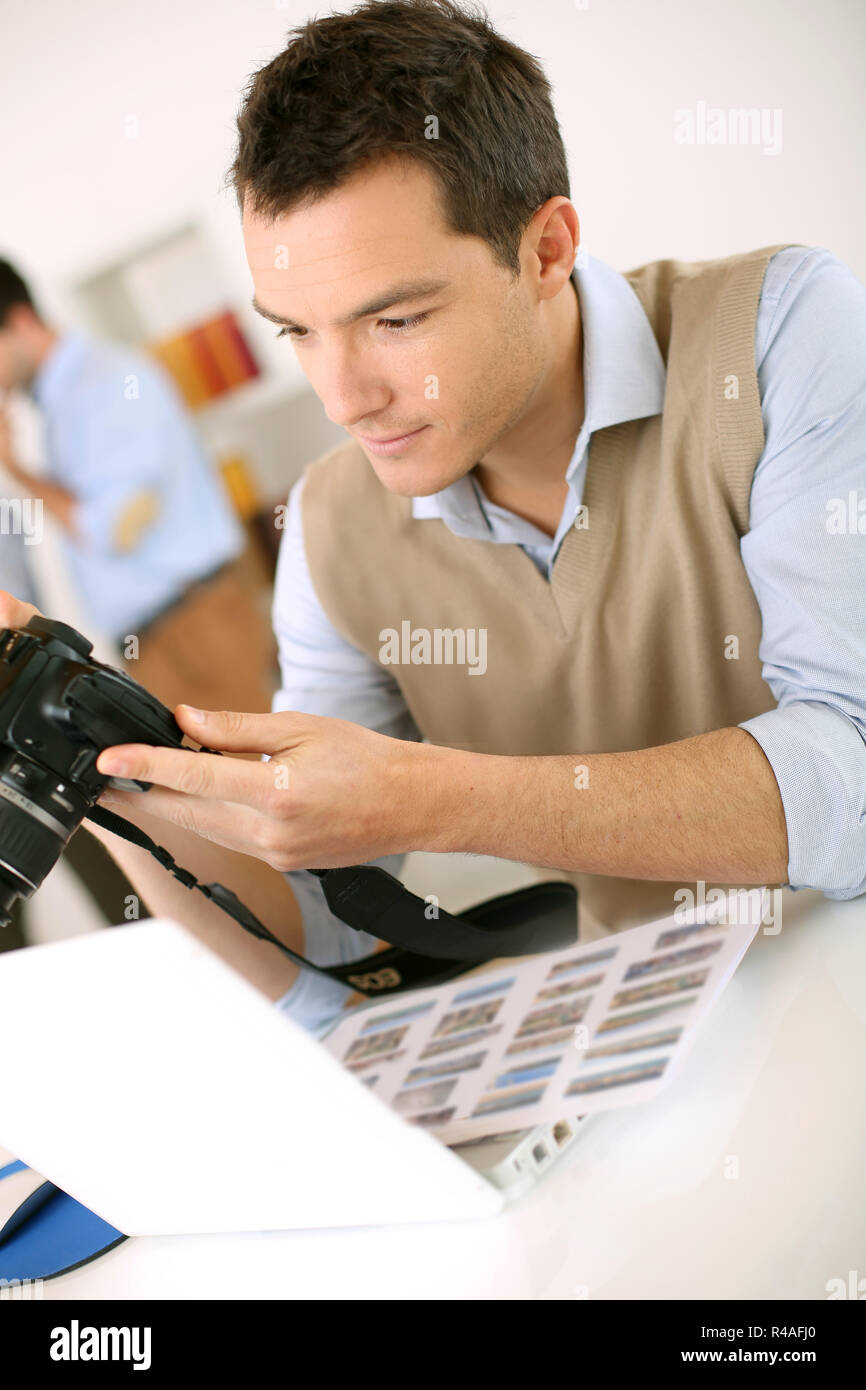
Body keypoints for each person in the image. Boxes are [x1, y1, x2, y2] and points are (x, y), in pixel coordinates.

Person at [2, 0, 863, 1039]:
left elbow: (850, 776)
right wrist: (102, 761)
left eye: (394, 320)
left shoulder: (778, 331)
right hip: (665, 1041)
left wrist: (434, 797)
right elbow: (323, 943)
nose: (341, 397)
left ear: (546, 249)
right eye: (299, 334)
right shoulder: (328, 525)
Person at [0, 260, 277, 715]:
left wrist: (17, 471)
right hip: (161, 638)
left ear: (21, 321)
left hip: (194, 626)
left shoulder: (107, 382)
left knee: (254, 779)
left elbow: (116, 529)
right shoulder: (61, 401)